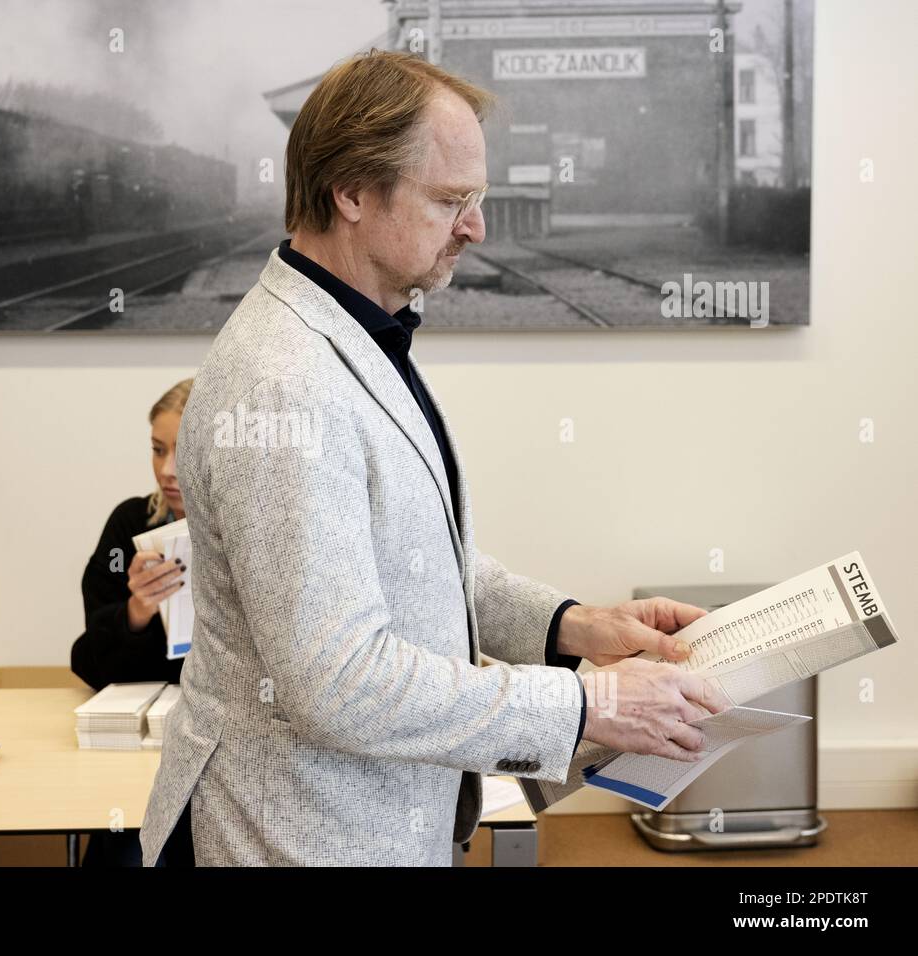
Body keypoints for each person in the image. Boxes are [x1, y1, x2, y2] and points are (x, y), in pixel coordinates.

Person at [139, 51, 728, 866]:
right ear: (350, 191)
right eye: (452, 200)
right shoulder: (283, 385)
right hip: (296, 837)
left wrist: (572, 627)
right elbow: (337, 680)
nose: (476, 227)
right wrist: (586, 704)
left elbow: (417, 562)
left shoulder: (354, 335)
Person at [71, 377, 195, 867]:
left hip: (235, 758)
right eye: (157, 449)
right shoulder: (132, 525)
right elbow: (89, 663)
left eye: (183, 451)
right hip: (142, 758)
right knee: (129, 855)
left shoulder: (260, 527)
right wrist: (136, 613)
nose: (167, 470)